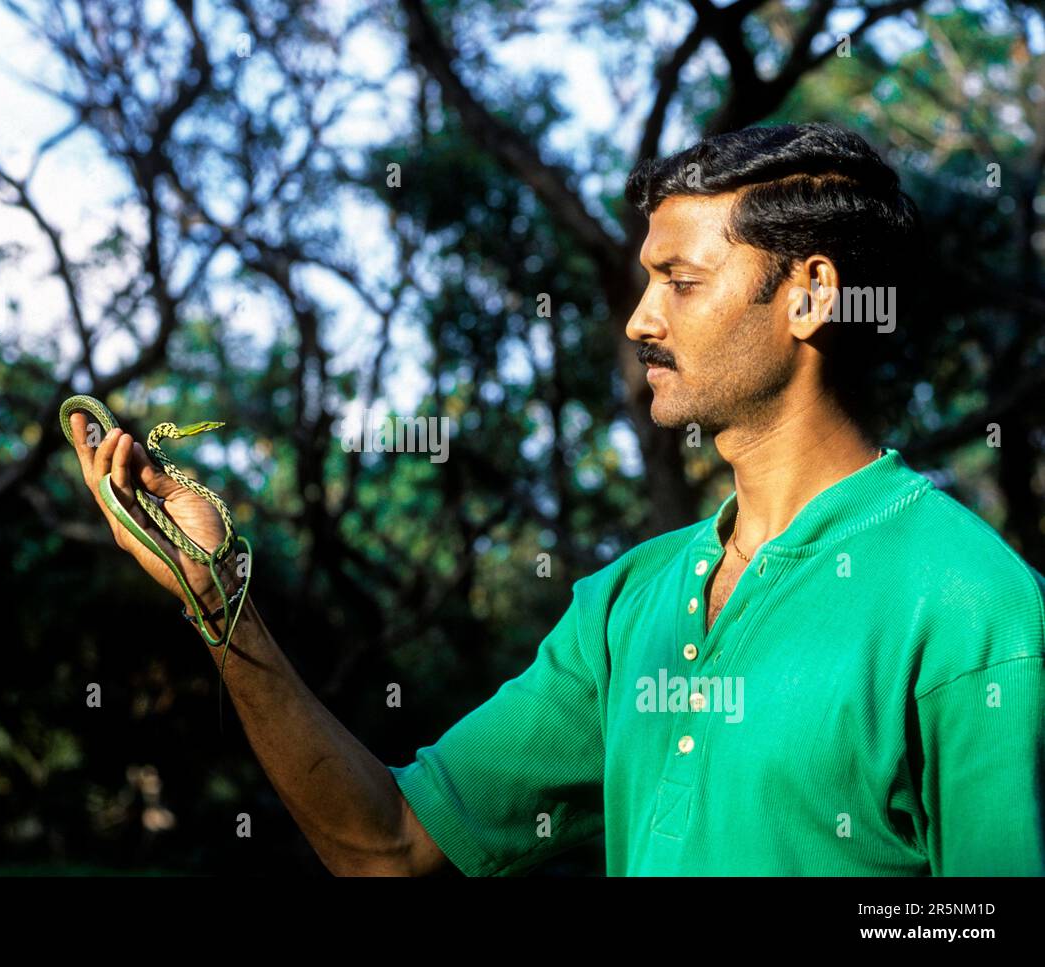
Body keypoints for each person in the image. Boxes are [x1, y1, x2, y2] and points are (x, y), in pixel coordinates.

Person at [65, 122, 1045, 876]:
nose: (639, 317)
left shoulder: (972, 605)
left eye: (680, 280)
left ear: (808, 295)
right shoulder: (626, 607)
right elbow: (386, 846)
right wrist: (217, 599)